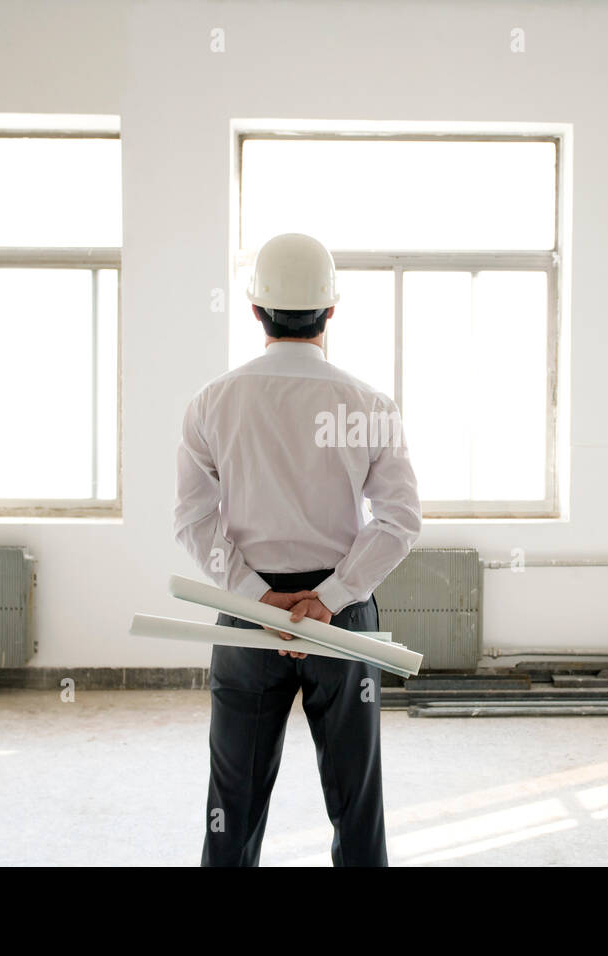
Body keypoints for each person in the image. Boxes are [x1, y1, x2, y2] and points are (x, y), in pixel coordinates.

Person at [173, 233, 422, 867]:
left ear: (256, 311)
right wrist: (331, 598)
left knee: (233, 796)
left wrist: (258, 599)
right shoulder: (368, 404)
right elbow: (398, 520)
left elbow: (195, 519)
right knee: (356, 801)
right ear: (329, 312)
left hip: (249, 617)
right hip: (342, 620)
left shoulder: (212, 402)